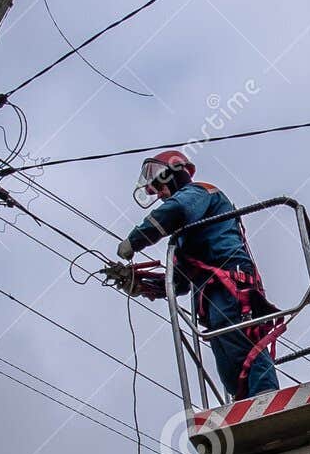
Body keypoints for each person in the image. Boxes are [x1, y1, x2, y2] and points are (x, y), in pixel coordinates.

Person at [115, 150, 280, 400]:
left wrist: (134, 241)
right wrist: (142, 285)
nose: (159, 196)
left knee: (244, 343)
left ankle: (268, 397)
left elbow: (174, 211)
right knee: (227, 360)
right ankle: (247, 402)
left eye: (159, 187)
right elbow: (179, 283)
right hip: (212, 294)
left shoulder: (200, 193)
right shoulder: (184, 237)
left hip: (230, 282)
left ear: (174, 174)